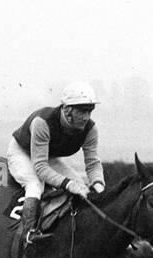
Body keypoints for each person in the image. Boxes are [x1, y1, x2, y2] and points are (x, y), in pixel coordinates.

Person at [7, 82, 106, 247]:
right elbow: (40, 167)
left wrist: (99, 185)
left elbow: (93, 163)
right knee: (35, 184)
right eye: (82, 111)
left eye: (89, 111)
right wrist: (67, 184)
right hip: (23, 152)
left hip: (48, 156)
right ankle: (29, 233)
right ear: (67, 109)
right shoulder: (42, 122)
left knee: (82, 186)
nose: (86, 117)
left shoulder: (90, 129)